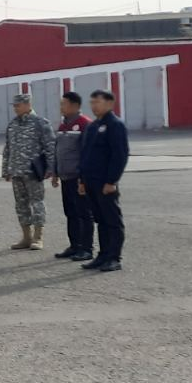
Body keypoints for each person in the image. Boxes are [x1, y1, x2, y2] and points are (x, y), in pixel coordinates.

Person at [78, 89, 130, 272]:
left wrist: (112, 180)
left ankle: (114, 257)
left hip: (105, 182)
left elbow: (120, 155)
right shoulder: (93, 126)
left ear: (109, 103)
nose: (93, 106)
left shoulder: (115, 125)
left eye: (97, 102)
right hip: (90, 181)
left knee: (112, 220)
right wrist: (82, 180)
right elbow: (85, 155)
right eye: (91, 102)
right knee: (100, 220)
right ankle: (103, 254)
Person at [1, 93, 55, 251]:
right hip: (16, 172)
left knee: (37, 203)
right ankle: (26, 237)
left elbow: (50, 146)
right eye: (14, 105)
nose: (15, 108)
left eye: (18, 105)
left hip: (33, 171)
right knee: (21, 205)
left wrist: (51, 168)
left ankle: (38, 237)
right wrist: (6, 169)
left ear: (27, 104)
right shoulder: (13, 125)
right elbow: (8, 148)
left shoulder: (40, 123)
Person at [50, 92, 96, 262]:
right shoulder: (63, 125)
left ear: (75, 106)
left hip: (78, 178)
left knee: (84, 213)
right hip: (65, 177)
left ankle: (87, 248)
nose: (61, 107)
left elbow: (88, 155)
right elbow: (58, 151)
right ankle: (74, 245)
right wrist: (55, 172)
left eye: (64, 104)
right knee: (70, 212)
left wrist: (83, 180)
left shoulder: (85, 124)